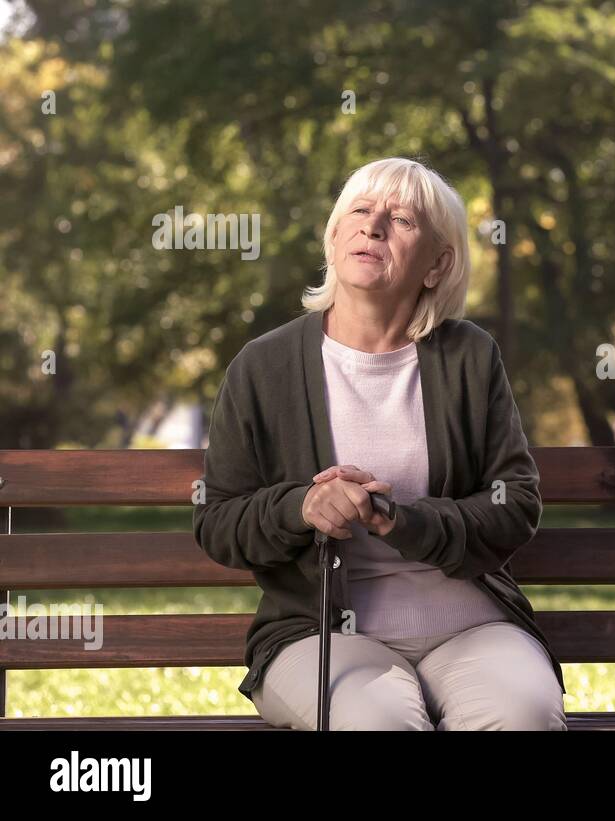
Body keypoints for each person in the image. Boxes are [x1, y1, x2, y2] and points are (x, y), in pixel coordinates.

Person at [194, 157, 566, 730]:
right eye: (361, 213)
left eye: (403, 220)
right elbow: (218, 522)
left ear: (438, 264)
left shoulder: (469, 356)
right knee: (378, 721)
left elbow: (513, 505)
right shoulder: (263, 366)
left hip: (471, 628)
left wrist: (402, 520)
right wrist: (301, 506)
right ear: (336, 235)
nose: (373, 228)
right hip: (318, 634)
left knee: (522, 715)